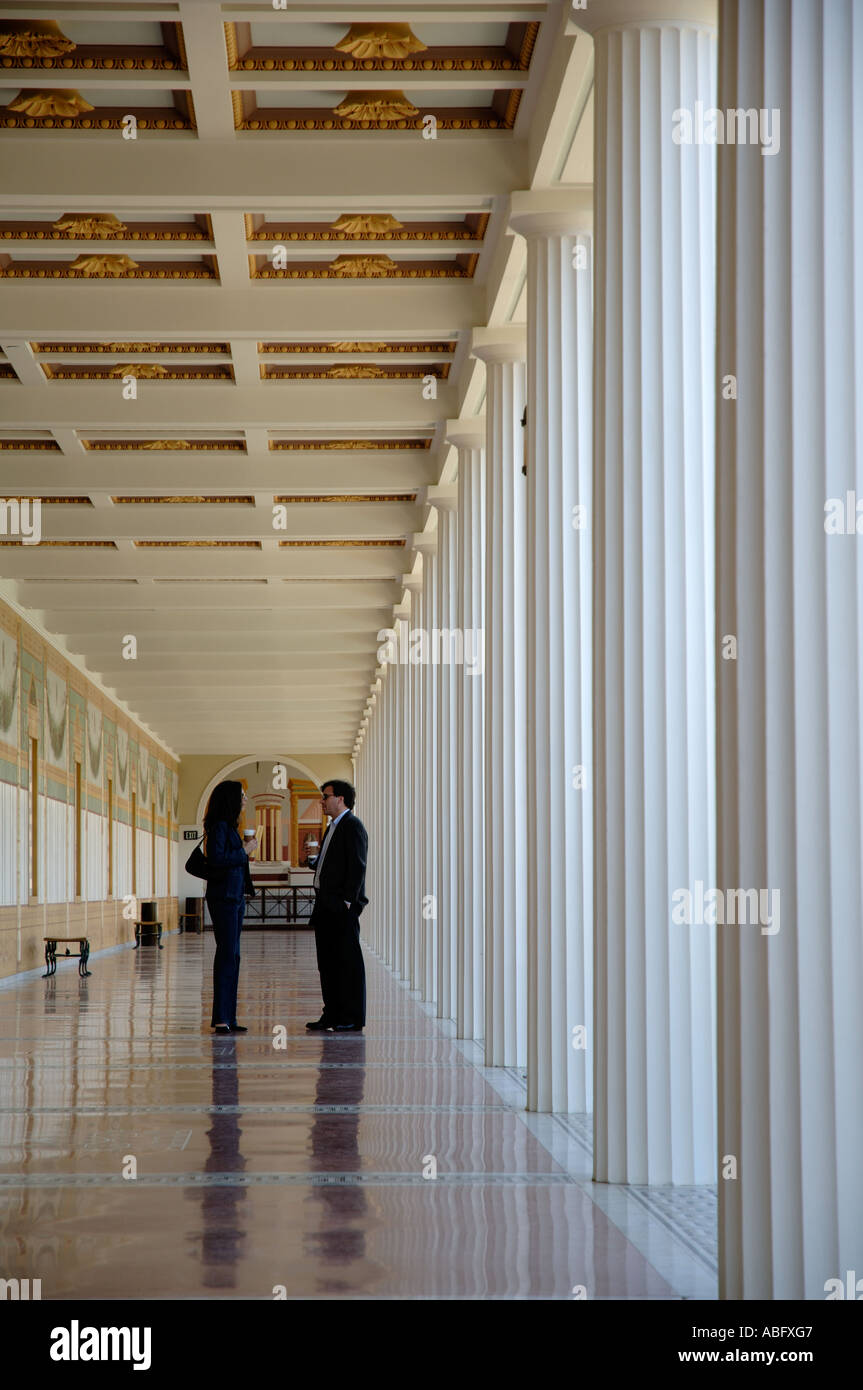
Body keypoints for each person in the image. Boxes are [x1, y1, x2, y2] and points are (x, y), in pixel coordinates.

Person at [307, 780, 368, 1032]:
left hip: (340, 908)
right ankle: (331, 1013)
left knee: (346, 963)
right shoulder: (332, 826)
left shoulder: (352, 826)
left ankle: (350, 1017)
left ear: (340, 799)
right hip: (325, 906)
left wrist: (346, 902)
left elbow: (357, 866)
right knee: (328, 963)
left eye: (326, 796)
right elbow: (333, 863)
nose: (322, 801)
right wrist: (315, 863)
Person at [202, 780, 256, 1035]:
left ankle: (229, 1017)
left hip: (234, 897)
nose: (245, 798)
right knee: (226, 954)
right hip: (224, 897)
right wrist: (245, 851)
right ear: (231, 799)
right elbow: (217, 860)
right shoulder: (220, 827)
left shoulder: (229, 827)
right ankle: (222, 1018)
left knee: (233, 955)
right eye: (242, 795)